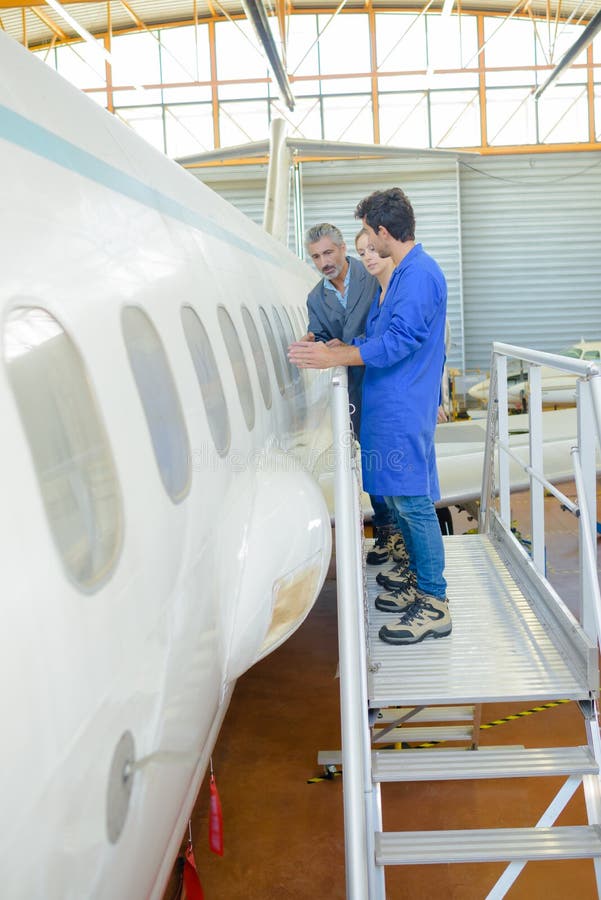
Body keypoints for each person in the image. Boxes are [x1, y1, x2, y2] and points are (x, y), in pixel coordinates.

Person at [289, 188, 450, 645]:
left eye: (367, 235)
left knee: (413, 504)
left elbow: (398, 342)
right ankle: (419, 583)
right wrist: (340, 347)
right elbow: (378, 333)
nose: (367, 247)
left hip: (402, 403)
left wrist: (336, 356)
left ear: (382, 231)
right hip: (388, 401)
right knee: (398, 501)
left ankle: (434, 602)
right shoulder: (401, 276)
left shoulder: (418, 276)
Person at [303, 222, 399, 563]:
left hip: (386, 380)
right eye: (316, 257)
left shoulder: (372, 275)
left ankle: (401, 536)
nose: (324, 262)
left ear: (343, 248)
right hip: (355, 391)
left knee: (393, 460)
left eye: (328, 252)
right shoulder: (316, 298)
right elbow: (320, 334)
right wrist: (312, 341)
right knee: (372, 462)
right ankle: (386, 533)